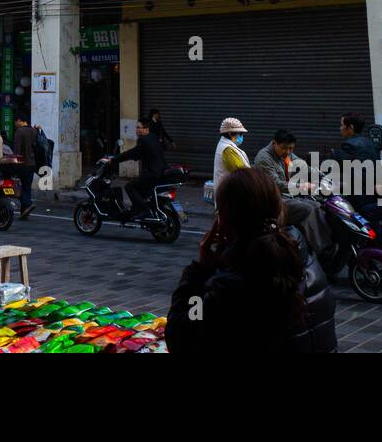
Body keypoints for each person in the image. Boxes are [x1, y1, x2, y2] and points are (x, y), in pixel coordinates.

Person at [166, 166, 336, 354]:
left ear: (225, 220)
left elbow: (181, 337)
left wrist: (199, 273)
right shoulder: (305, 261)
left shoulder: (232, 287)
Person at [104, 117, 166, 217]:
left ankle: (144, 210)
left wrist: (114, 160)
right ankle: (135, 209)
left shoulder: (143, 140)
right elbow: (141, 154)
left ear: (146, 129)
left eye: (139, 128)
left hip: (152, 173)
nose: (137, 130)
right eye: (136, 127)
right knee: (138, 187)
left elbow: (131, 153)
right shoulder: (153, 137)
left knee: (129, 186)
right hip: (160, 172)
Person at [212, 117, 250, 204]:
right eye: (240, 133)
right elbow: (242, 174)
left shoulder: (226, 146)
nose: (241, 136)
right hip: (231, 198)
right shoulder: (228, 150)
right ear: (230, 133)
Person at [9, 114, 37, 218]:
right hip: (32, 163)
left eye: (15, 122)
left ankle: (28, 203)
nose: (15, 124)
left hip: (22, 164)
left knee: (17, 187)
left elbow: (17, 151)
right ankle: (24, 212)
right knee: (27, 187)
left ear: (19, 120)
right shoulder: (34, 131)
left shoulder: (19, 132)